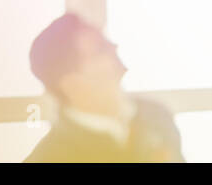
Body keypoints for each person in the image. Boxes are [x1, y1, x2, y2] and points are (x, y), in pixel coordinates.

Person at [23, 13, 183, 162]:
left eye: (107, 41)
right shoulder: (50, 157)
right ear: (73, 85)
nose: (114, 47)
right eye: (100, 48)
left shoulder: (156, 117)